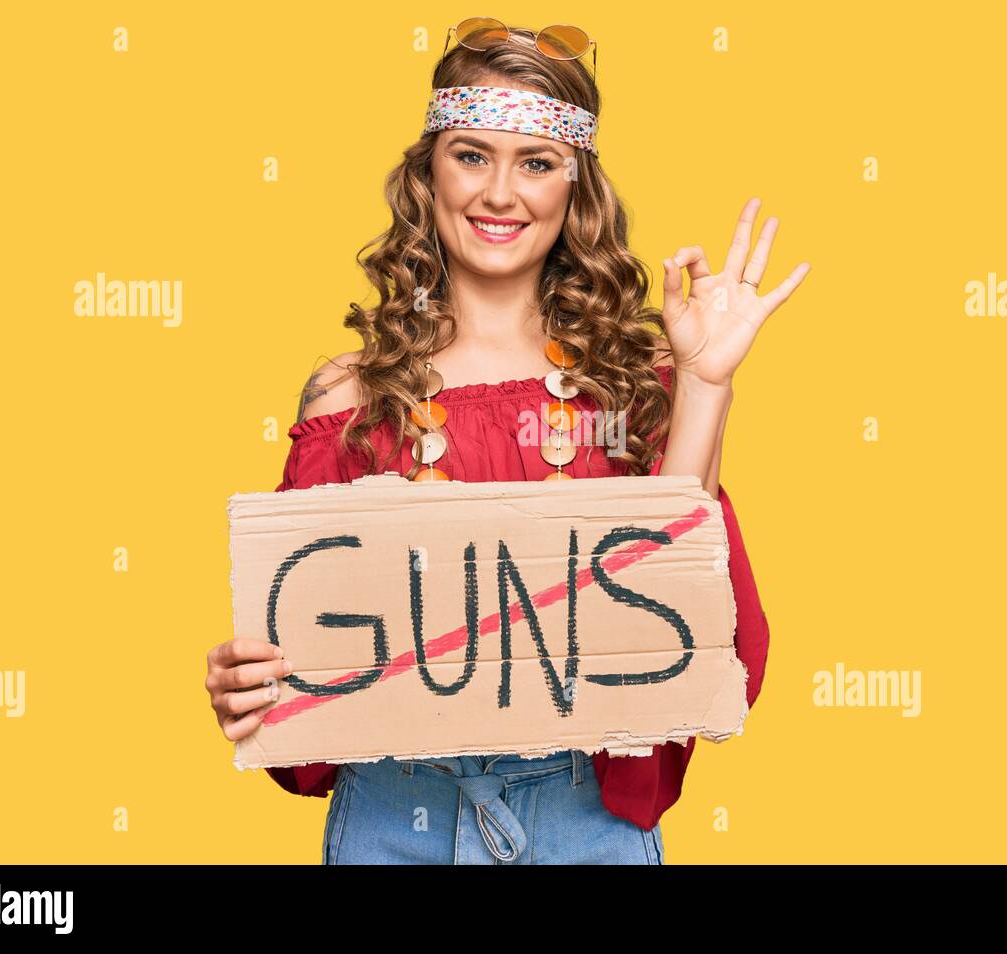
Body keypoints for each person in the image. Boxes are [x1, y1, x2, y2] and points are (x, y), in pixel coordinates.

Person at [204, 18, 809, 865]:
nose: (499, 194)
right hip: (394, 814)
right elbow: (307, 654)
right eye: (471, 154)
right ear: (428, 174)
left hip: (582, 818)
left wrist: (705, 384)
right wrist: (250, 683)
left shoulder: (629, 387)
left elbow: (686, 621)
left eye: (535, 162)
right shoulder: (348, 397)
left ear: (575, 187)